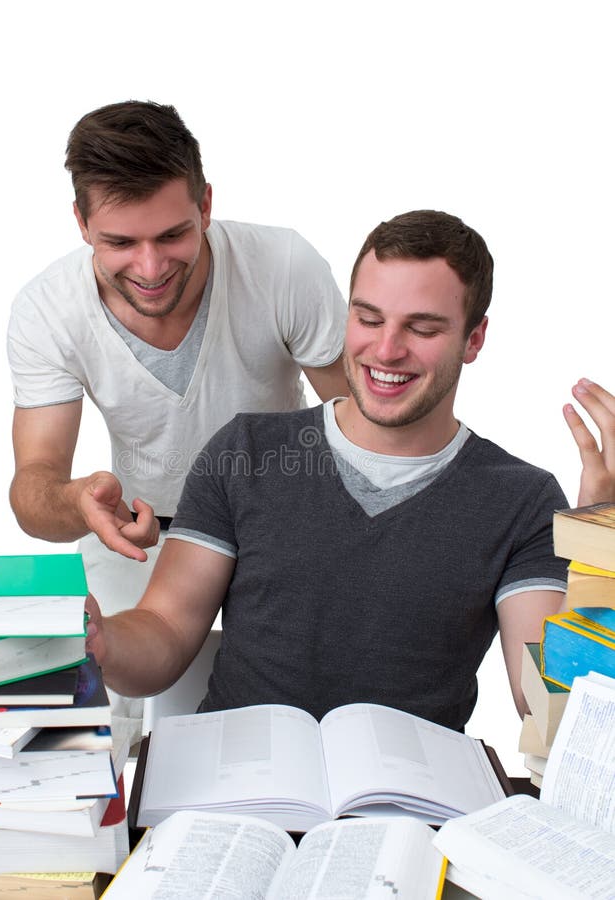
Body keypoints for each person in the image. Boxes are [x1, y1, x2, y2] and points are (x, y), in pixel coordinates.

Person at [85, 209, 615, 732]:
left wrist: (602, 541)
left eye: (422, 328)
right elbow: (165, 628)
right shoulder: (246, 452)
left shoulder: (522, 499)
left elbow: (549, 709)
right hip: (241, 777)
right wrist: (103, 640)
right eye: (368, 319)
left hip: (416, 786)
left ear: (473, 339)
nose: (386, 350)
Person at [7, 101, 349, 725]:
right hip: (142, 539)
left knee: (297, 719)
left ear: (206, 205)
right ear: (81, 223)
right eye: (120, 242)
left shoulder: (283, 266)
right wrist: (79, 502)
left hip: (281, 529)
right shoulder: (48, 310)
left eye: (171, 235)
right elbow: (34, 487)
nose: (151, 267)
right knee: (109, 716)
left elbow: (362, 426)